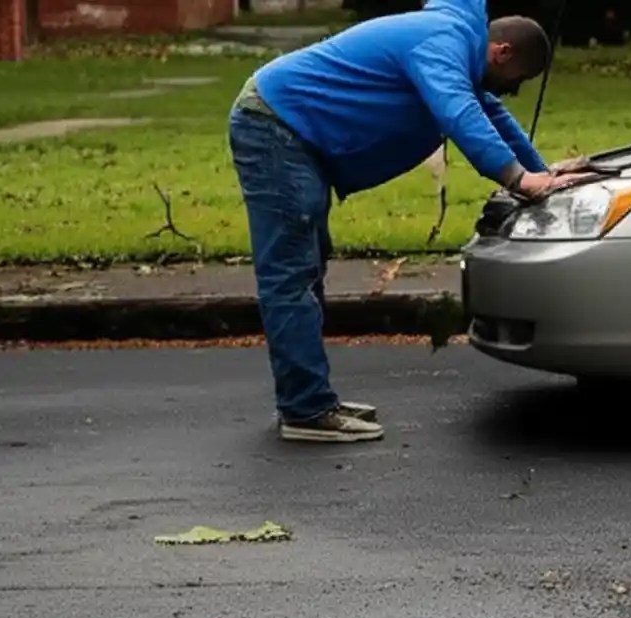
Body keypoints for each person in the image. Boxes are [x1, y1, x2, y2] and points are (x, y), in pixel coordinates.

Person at [227, 0, 581, 443]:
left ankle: (310, 399)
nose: (515, 89)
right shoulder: (443, 43)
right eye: (519, 79)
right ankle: (305, 411)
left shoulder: (456, 41)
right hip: (277, 125)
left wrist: (540, 174)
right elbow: (459, 113)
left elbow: (489, 114)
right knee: (290, 273)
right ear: (503, 52)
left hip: (296, 132)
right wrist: (517, 178)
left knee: (307, 265)